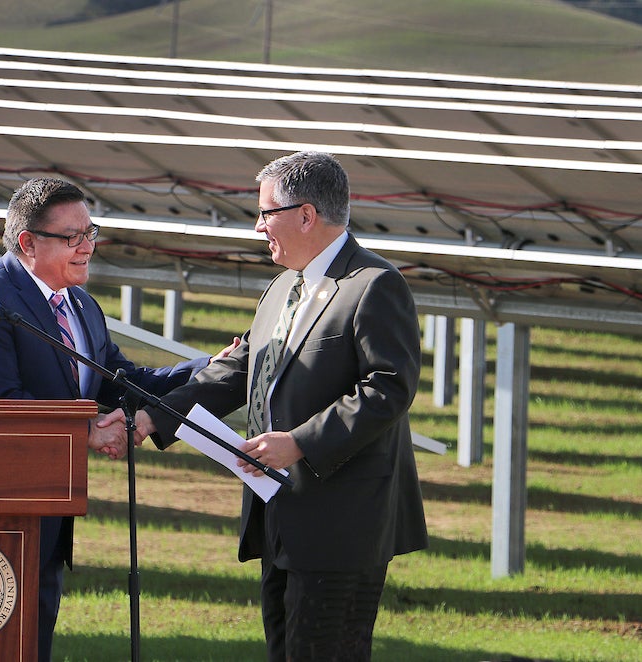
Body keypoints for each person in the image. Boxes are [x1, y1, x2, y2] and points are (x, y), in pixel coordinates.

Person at [101, 151, 428, 661]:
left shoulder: (374, 285)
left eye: (266, 213)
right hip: (279, 514)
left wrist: (299, 443)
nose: (257, 227)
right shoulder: (281, 288)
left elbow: (389, 388)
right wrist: (148, 416)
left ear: (305, 215)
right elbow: (235, 373)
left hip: (342, 521)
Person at [0, 177, 220, 662]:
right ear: (27, 242)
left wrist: (211, 369)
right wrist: (86, 431)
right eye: (73, 237)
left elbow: (120, 382)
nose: (88, 247)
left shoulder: (81, 305)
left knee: (34, 644)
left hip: (50, 509)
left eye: (91, 233)